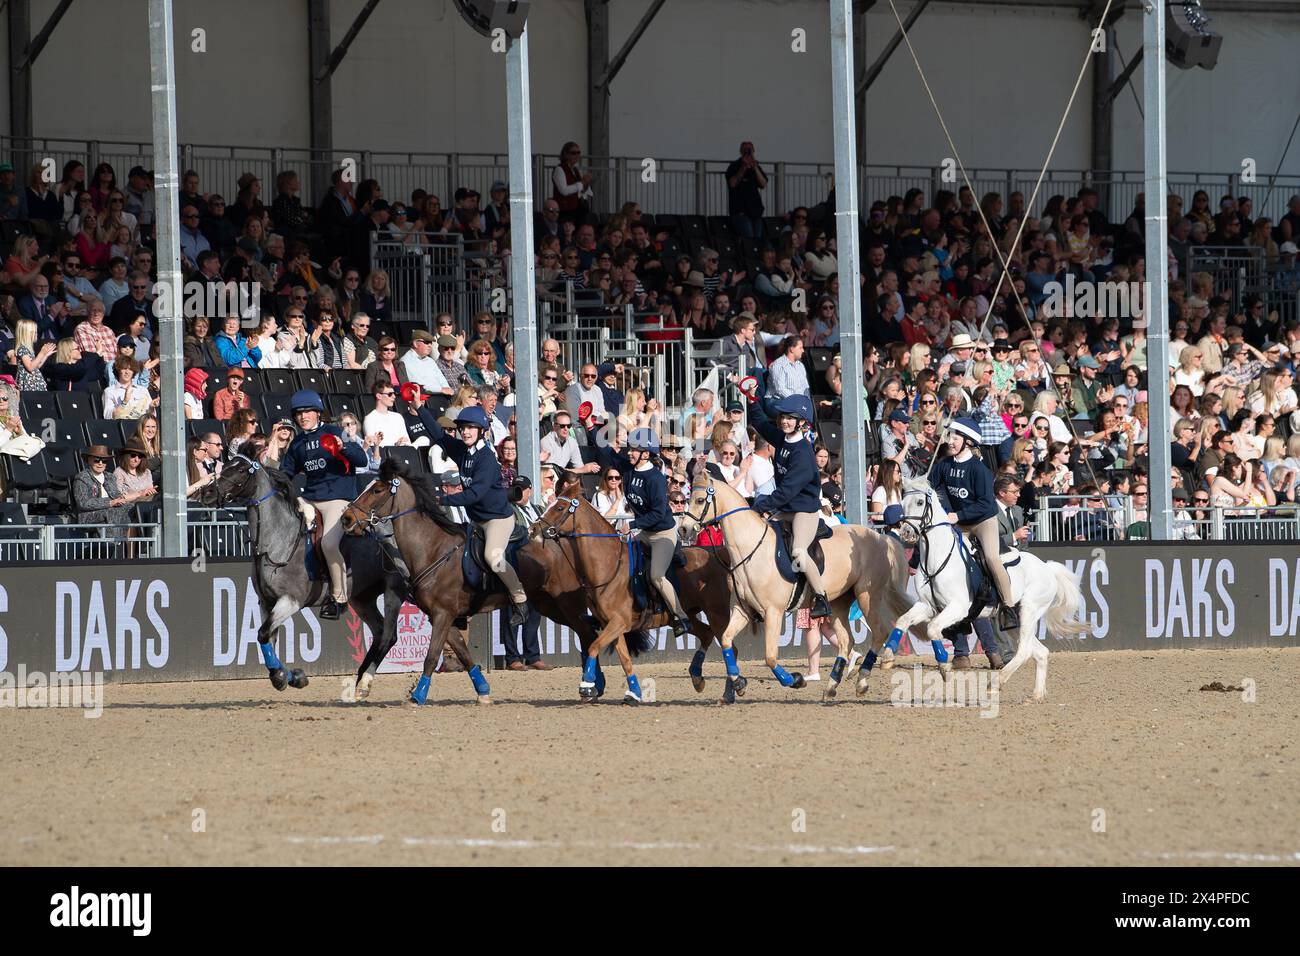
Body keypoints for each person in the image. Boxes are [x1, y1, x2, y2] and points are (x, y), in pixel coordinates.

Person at [417, 405, 530, 627]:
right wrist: (419, 408)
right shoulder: (464, 451)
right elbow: (439, 435)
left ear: (482, 430)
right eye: (462, 428)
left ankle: (520, 599)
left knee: (493, 558)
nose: (465, 432)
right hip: (477, 521)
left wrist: (443, 499)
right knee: (456, 557)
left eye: (471, 428)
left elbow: (474, 494)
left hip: (497, 520)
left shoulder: (486, 459)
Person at [585, 422, 692, 637]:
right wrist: (589, 427)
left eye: (634, 449)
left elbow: (659, 515)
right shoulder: (628, 468)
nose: (629, 452)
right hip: (644, 532)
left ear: (645, 454)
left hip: (662, 534)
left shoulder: (656, 479)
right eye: (630, 449)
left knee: (656, 576)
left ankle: (681, 616)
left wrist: (632, 525)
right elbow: (607, 452)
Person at [279, 390, 368, 619]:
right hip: (310, 498)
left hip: (337, 498)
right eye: (299, 413)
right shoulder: (297, 443)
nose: (303, 416)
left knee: (329, 544)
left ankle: (338, 598)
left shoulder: (336, 431)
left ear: (318, 413)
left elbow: (362, 459)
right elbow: (285, 474)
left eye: (307, 411)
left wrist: (344, 447)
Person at [749, 394, 831, 618]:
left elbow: (785, 492)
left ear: (802, 422)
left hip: (803, 511)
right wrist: (751, 398)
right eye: (783, 416)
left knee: (799, 552)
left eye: (790, 418)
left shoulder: (803, 454)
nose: (784, 421)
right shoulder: (784, 439)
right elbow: (760, 424)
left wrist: (760, 506)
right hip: (785, 509)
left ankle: (821, 597)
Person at [930, 418, 1017, 624]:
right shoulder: (944, 465)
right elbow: (930, 487)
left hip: (982, 522)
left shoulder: (980, 470)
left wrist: (957, 516)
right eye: (949, 436)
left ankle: (1009, 607)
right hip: (958, 522)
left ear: (968, 442)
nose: (950, 441)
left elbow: (987, 505)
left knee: (991, 559)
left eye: (955, 437)